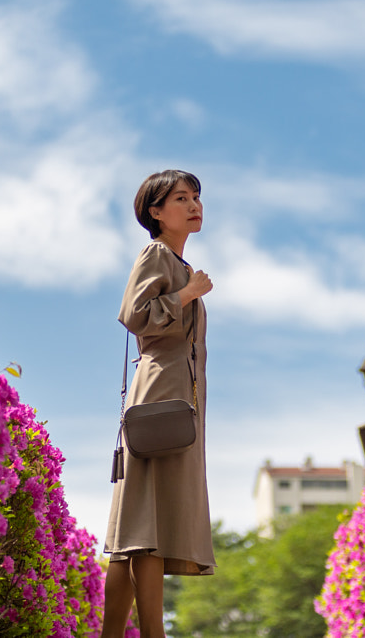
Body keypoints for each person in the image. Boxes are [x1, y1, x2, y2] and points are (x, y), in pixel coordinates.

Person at [101, 170, 216, 638]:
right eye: (180, 198)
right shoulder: (157, 254)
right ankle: (154, 633)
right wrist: (187, 294)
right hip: (159, 399)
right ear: (155, 211)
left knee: (138, 523)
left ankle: (113, 634)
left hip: (176, 401)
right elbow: (135, 315)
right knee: (143, 521)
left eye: (196, 198)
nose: (194, 206)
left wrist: (187, 287)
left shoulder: (181, 265)